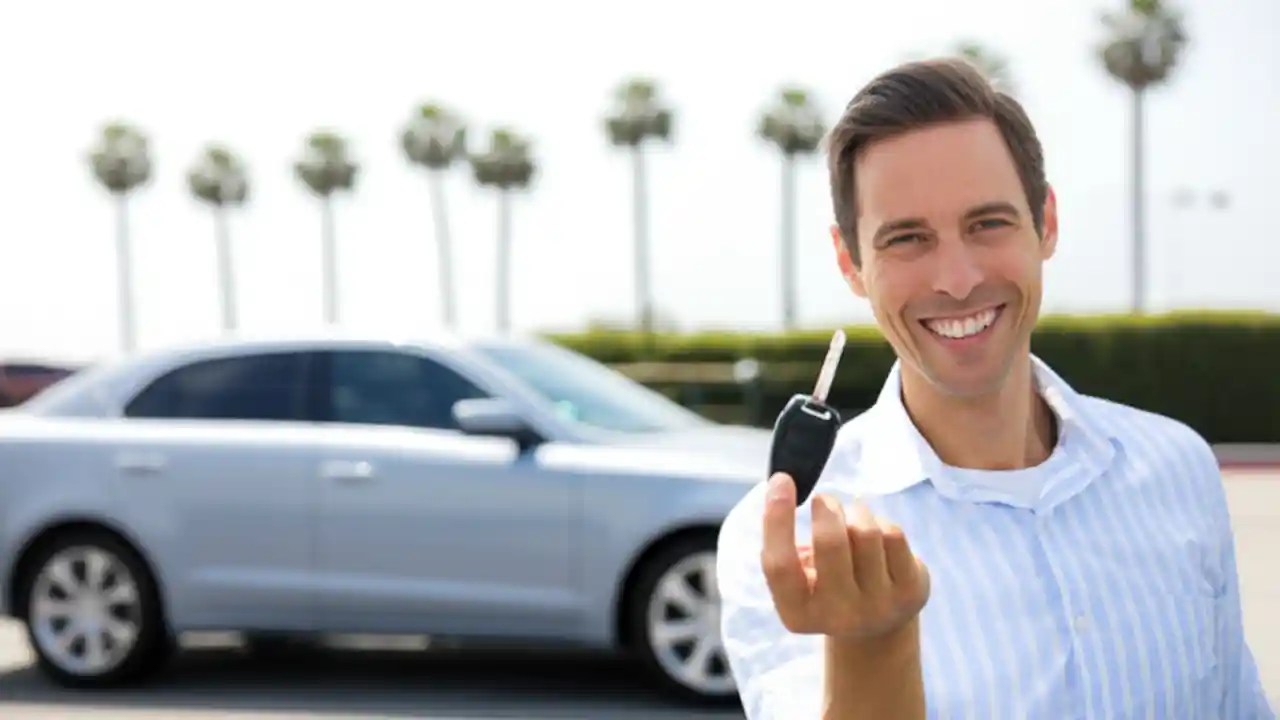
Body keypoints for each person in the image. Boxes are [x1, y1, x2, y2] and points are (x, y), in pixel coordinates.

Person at [715, 57, 1275, 719]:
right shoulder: (790, 541)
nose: (956, 278)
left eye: (988, 224)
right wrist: (872, 645)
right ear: (851, 263)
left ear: (1047, 223)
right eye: (907, 238)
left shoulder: (1178, 467)